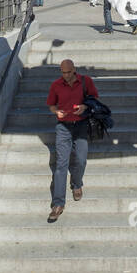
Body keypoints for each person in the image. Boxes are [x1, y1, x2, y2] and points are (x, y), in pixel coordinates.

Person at [45, 58, 98, 223]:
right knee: (61, 164)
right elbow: (51, 105)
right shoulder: (56, 85)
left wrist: (85, 107)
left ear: (74, 69)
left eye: (68, 72)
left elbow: (94, 98)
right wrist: (56, 112)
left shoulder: (85, 81)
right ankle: (58, 204)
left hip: (81, 125)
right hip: (63, 127)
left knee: (81, 160)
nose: (66, 75)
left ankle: (77, 184)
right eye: (63, 72)